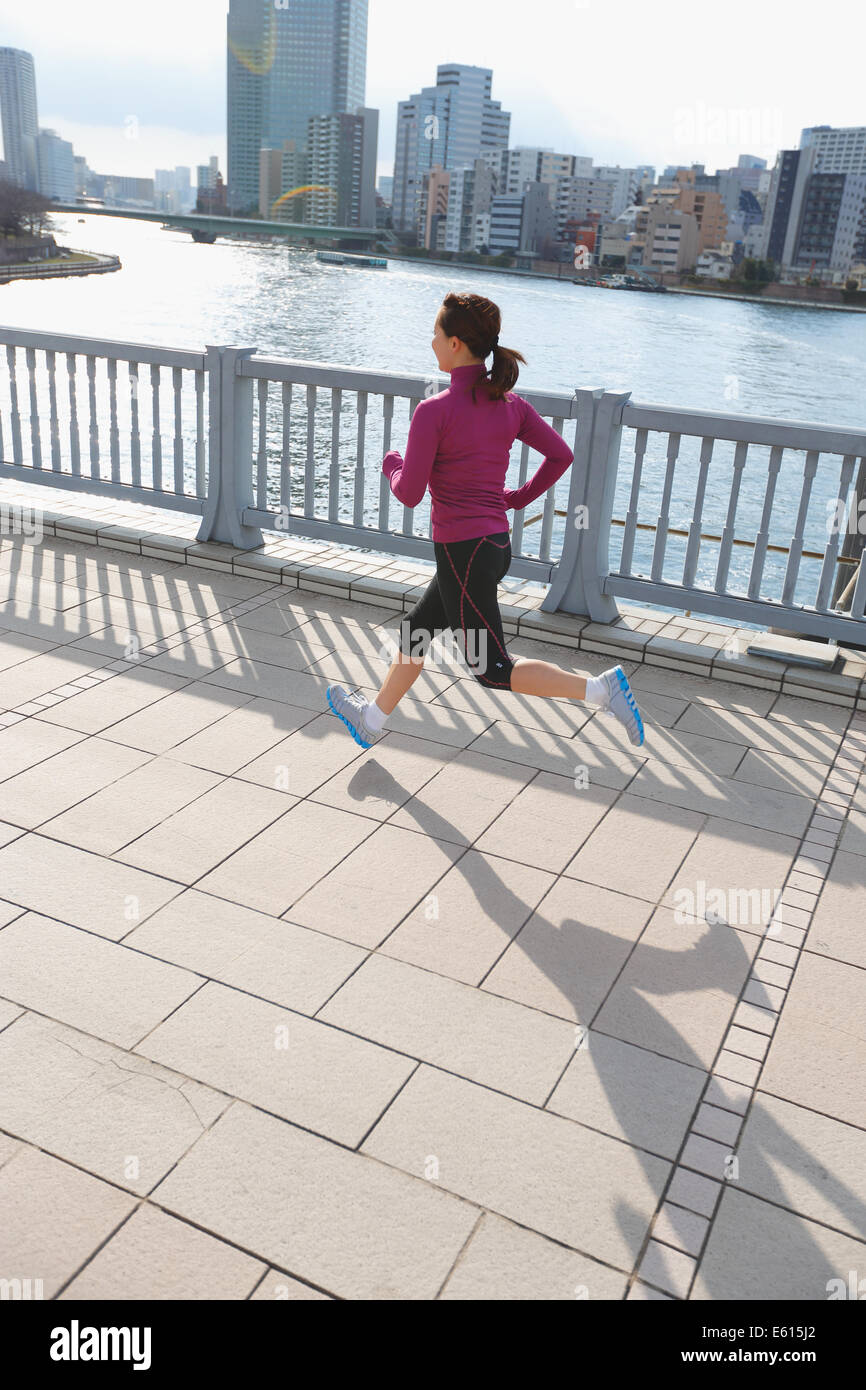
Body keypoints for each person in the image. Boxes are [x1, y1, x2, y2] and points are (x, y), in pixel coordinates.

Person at [326, 290, 644, 750]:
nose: (430, 340)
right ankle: (370, 721)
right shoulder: (510, 404)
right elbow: (561, 454)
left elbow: (410, 494)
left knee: (494, 670)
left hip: (463, 552)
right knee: (417, 632)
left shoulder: (433, 411)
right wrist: (515, 499)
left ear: (456, 343)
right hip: (492, 545)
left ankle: (601, 689)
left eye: (435, 333)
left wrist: (391, 464)